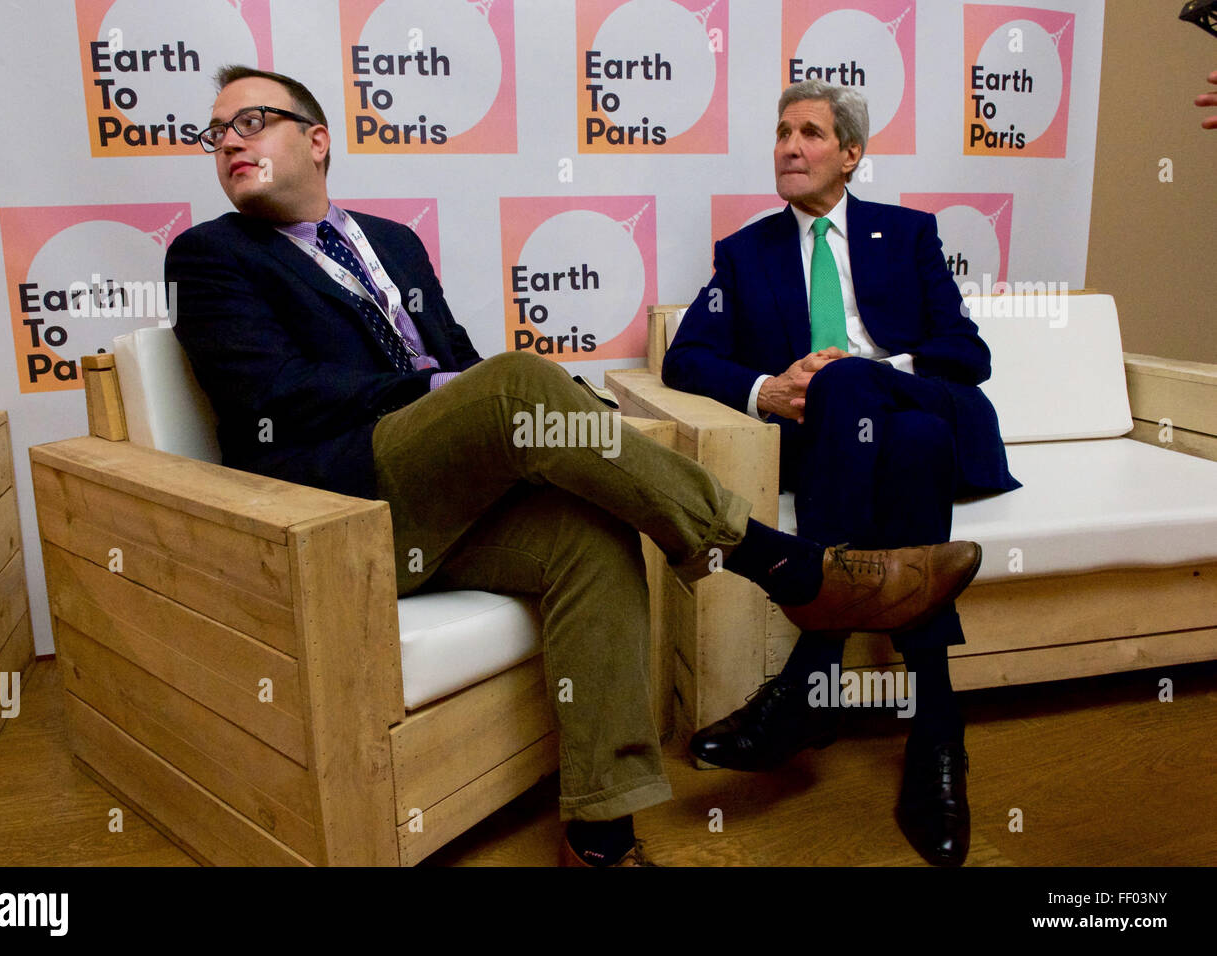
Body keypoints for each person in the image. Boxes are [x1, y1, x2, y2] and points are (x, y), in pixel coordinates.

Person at [166, 66, 982, 867]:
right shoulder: (210, 256)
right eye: (215, 133)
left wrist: (498, 407)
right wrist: (453, 391)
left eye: (252, 122)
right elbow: (272, 395)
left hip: (443, 504)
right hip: (339, 507)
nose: (228, 143)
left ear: (315, 140)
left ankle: (600, 836)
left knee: (592, 536)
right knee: (520, 377)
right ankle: (787, 563)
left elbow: (455, 360)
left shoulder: (394, 243)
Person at [663, 79, 1020, 867]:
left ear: (851, 155)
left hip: (909, 391)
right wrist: (766, 389)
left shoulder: (908, 233)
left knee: (855, 382)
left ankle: (810, 673)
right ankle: (937, 733)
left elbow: (968, 354)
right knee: (917, 442)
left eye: (812, 134)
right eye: (783, 131)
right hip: (874, 440)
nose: (790, 146)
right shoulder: (746, 252)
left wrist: (867, 369)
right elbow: (685, 357)